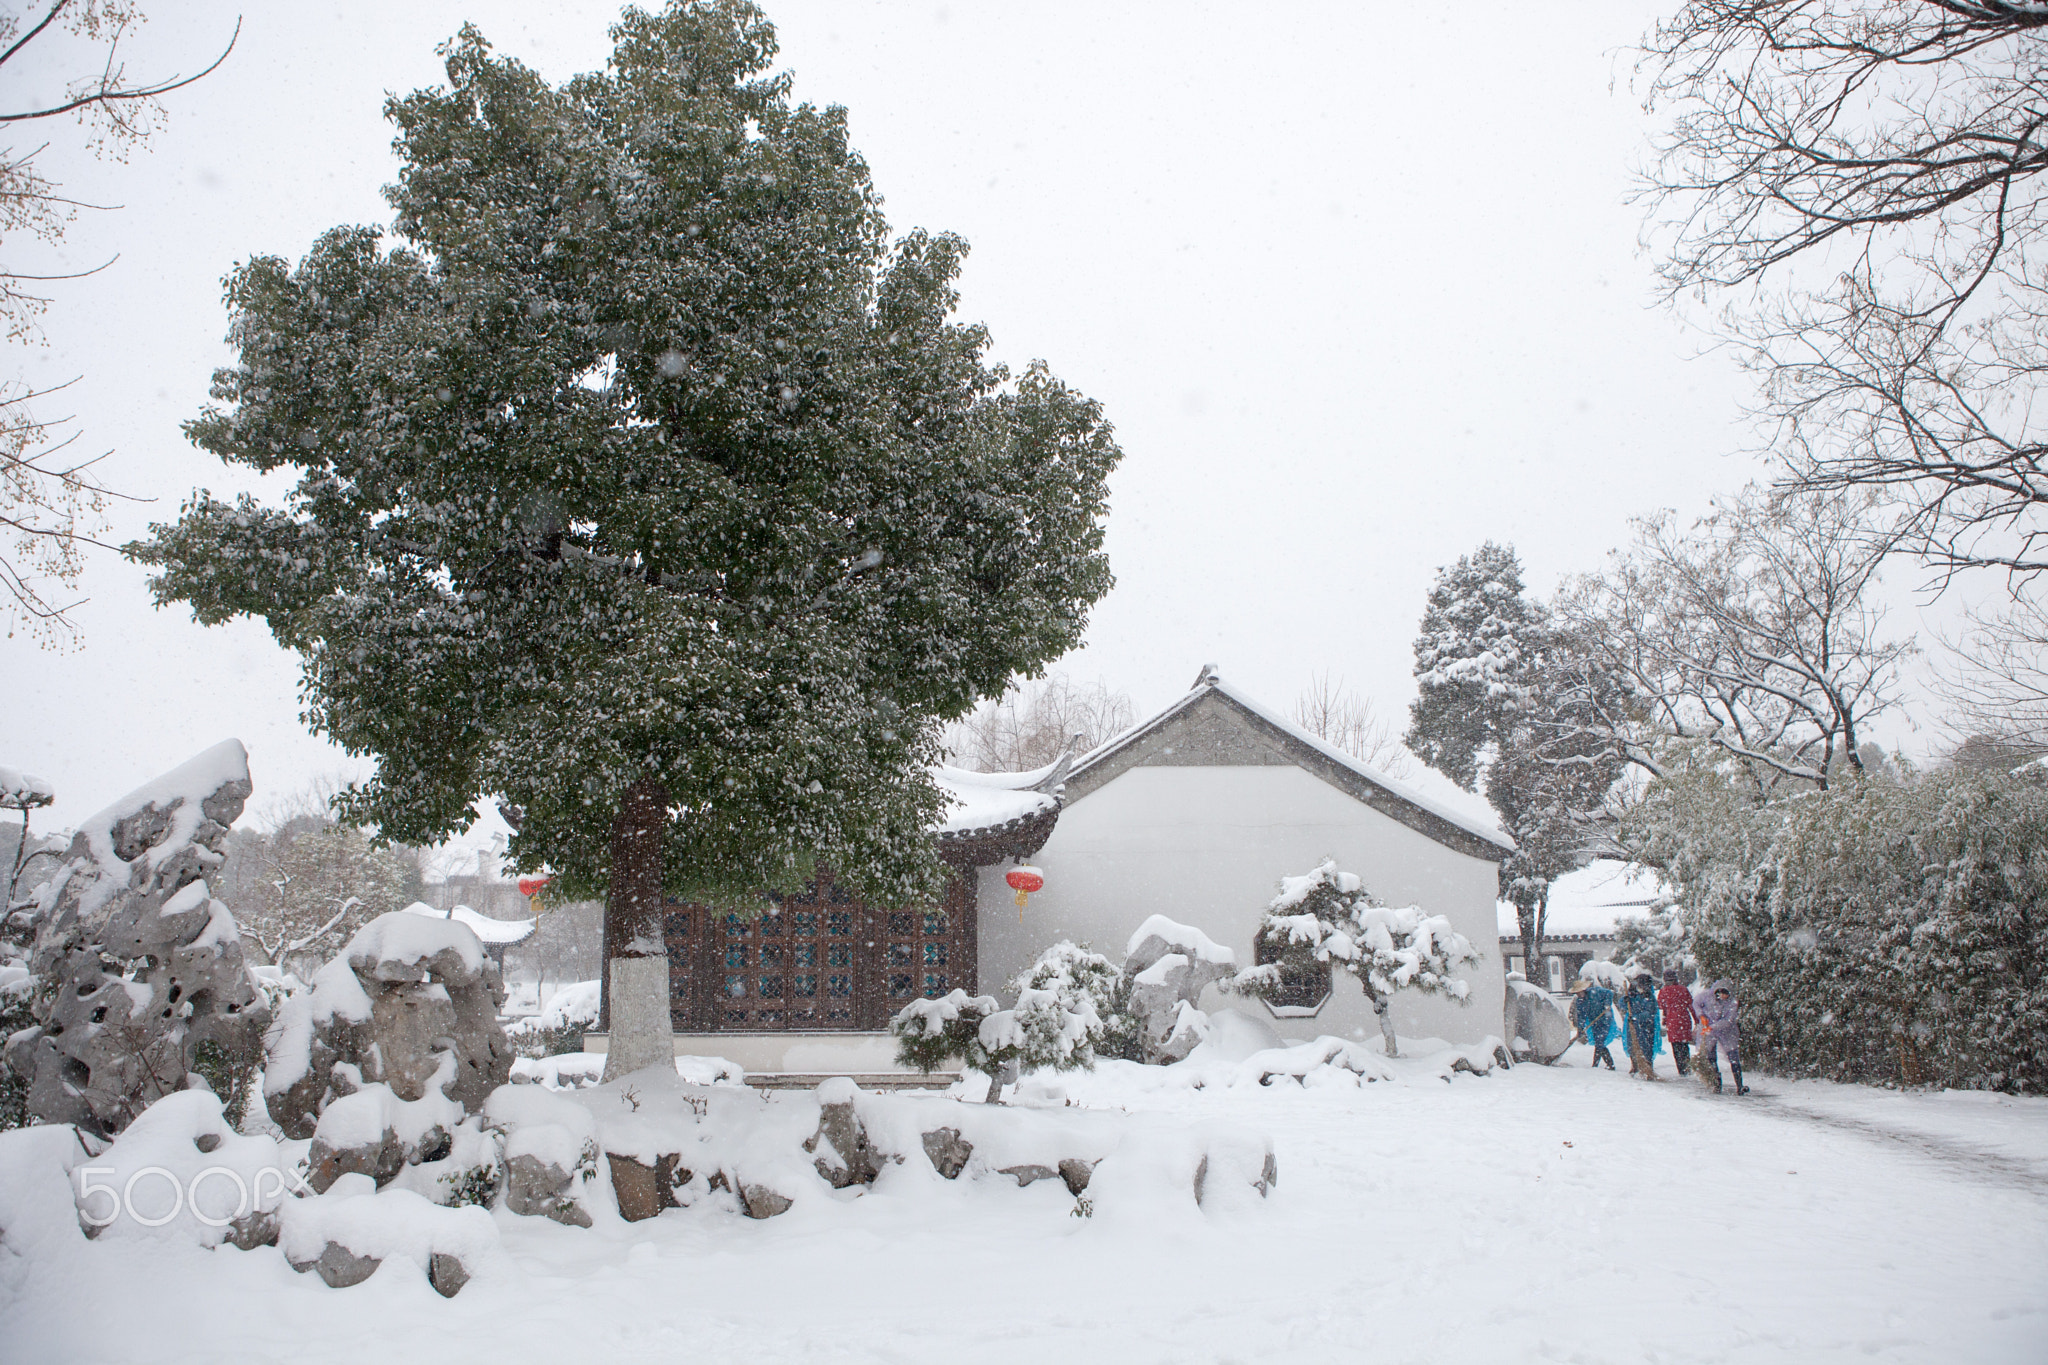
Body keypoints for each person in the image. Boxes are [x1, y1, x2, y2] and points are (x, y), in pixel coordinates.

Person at [1696, 978, 1748, 1094]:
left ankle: (1739, 1085)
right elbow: (1696, 1003)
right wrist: (1701, 1016)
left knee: (1733, 1057)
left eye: (1726, 994)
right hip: (1709, 1031)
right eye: (1721, 993)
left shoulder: (1733, 1003)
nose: (1723, 996)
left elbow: (1728, 1021)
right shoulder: (1707, 997)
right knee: (1711, 1056)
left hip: (1727, 1032)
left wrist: (1713, 1027)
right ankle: (1716, 1083)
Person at [1570, 978, 1619, 1070]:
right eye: (1576, 993)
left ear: (1583, 990)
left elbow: (1609, 993)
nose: (1578, 994)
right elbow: (1581, 1016)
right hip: (1594, 1022)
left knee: (1600, 1042)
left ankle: (1598, 1064)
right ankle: (1608, 1064)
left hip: (1604, 1019)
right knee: (1598, 1042)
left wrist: (1607, 1005)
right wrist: (1580, 1029)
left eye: (1579, 992)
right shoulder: (1580, 1002)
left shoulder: (1595, 992)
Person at [1656, 968, 1695, 1076]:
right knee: (1684, 1045)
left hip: (1672, 1020)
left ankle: (1681, 1069)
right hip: (1684, 1019)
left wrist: (1665, 1015)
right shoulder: (1683, 989)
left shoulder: (1664, 991)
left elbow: (1660, 1005)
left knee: (1676, 1046)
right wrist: (1697, 1020)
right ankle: (1688, 1066)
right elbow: (1691, 1005)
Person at [1623, 974, 1661, 1079]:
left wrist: (1636, 1017)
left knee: (1646, 1047)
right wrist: (1624, 1001)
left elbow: (1650, 1013)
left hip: (1646, 1028)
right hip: (1633, 1027)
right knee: (1632, 1046)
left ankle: (1647, 1067)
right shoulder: (1632, 995)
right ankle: (1635, 1065)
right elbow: (1623, 1005)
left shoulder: (1650, 998)